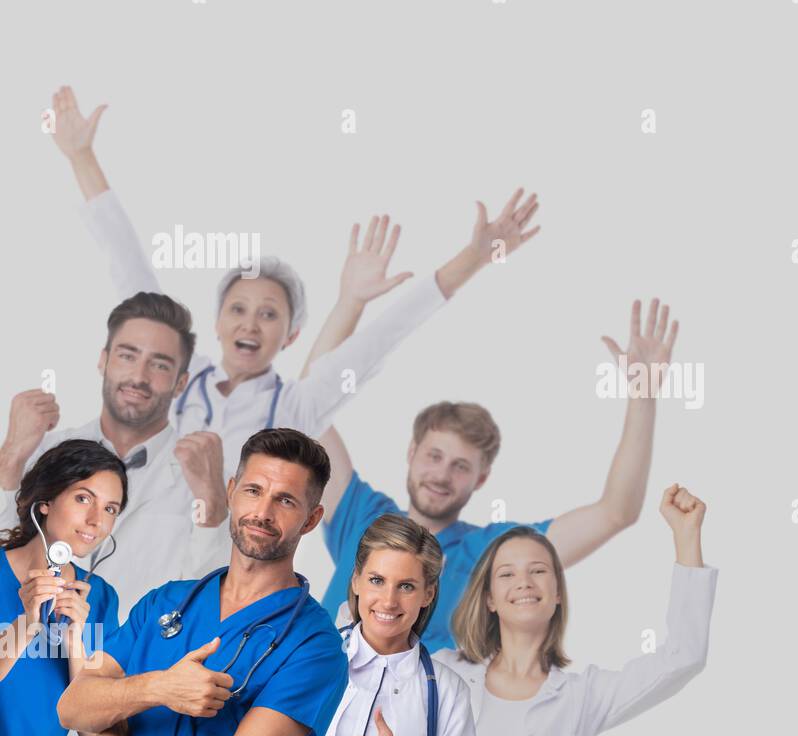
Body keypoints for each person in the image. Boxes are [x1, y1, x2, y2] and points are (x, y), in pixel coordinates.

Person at [49, 85, 542, 478]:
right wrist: (81, 159)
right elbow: (131, 271)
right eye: (239, 309)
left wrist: (474, 258)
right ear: (217, 323)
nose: (251, 323)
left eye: (270, 314)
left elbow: (383, 337)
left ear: (291, 336)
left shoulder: (297, 406)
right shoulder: (176, 374)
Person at [309, 298, 681, 653]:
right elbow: (312, 403)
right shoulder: (362, 513)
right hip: (312, 708)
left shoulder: (492, 551)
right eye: (435, 456)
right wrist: (352, 301)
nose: (441, 475)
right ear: (411, 453)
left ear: (481, 480)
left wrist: (643, 398)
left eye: (460, 466)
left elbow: (616, 512)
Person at [57, 429, 348, 736]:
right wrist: (160, 687)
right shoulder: (164, 603)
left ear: (311, 519)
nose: (263, 513)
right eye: (253, 491)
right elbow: (73, 706)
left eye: (285, 500)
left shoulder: (315, 645)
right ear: (230, 492)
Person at [436, 483, 717, 736]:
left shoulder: (580, 697)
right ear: (490, 600)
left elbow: (682, 657)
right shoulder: (445, 671)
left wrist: (687, 535)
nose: (524, 582)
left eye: (538, 570)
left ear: (557, 592)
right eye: (507, 574)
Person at [0, 292, 229, 618]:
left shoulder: (205, 481)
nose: (139, 376)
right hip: (29, 644)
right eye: (127, 355)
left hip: (134, 659)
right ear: (103, 360)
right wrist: (9, 459)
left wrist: (213, 503)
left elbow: (208, 595)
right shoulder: (41, 451)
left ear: (181, 383)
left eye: (160, 364)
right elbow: (8, 549)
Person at [277, 514, 478, 736]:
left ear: (428, 594)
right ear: (356, 582)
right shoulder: (303, 658)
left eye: (406, 586)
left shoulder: (449, 692)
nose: (388, 601)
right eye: (377, 581)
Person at [0, 440, 127, 736]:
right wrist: (26, 627)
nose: (96, 519)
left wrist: (75, 646)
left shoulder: (99, 597)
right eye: (83, 498)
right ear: (45, 501)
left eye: (110, 509)